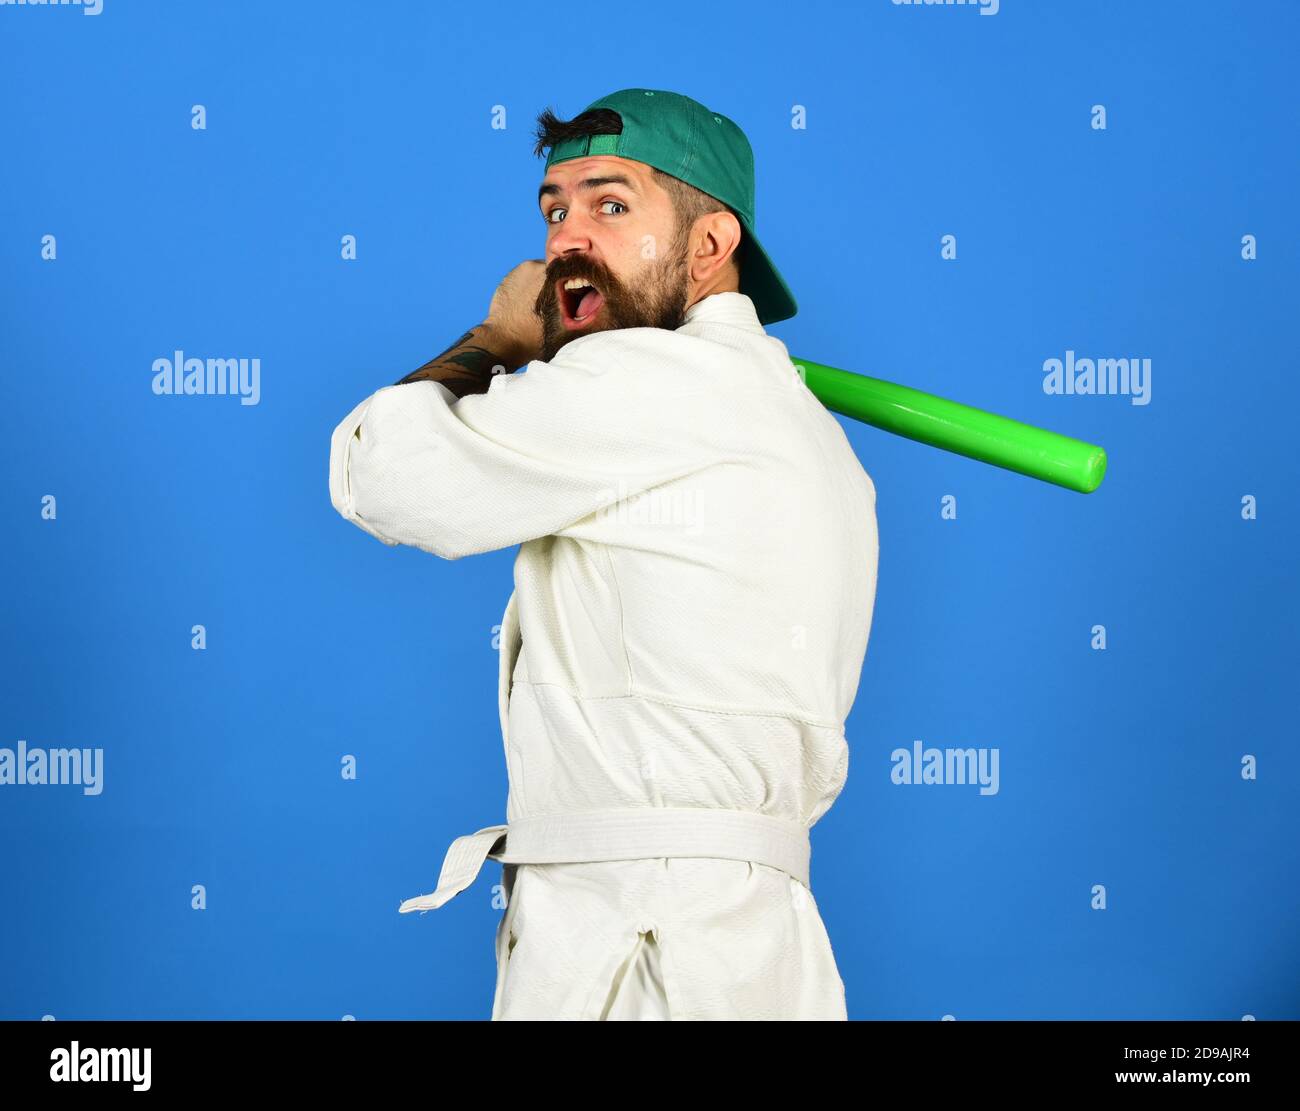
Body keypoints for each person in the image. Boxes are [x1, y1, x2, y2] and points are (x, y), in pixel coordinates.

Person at [328, 88, 879, 1020]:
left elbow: (376, 470)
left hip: (643, 948)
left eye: (610, 204)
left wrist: (497, 338)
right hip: (760, 948)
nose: (564, 239)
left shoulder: (650, 380)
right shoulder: (817, 441)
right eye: (554, 209)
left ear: (711, 246)